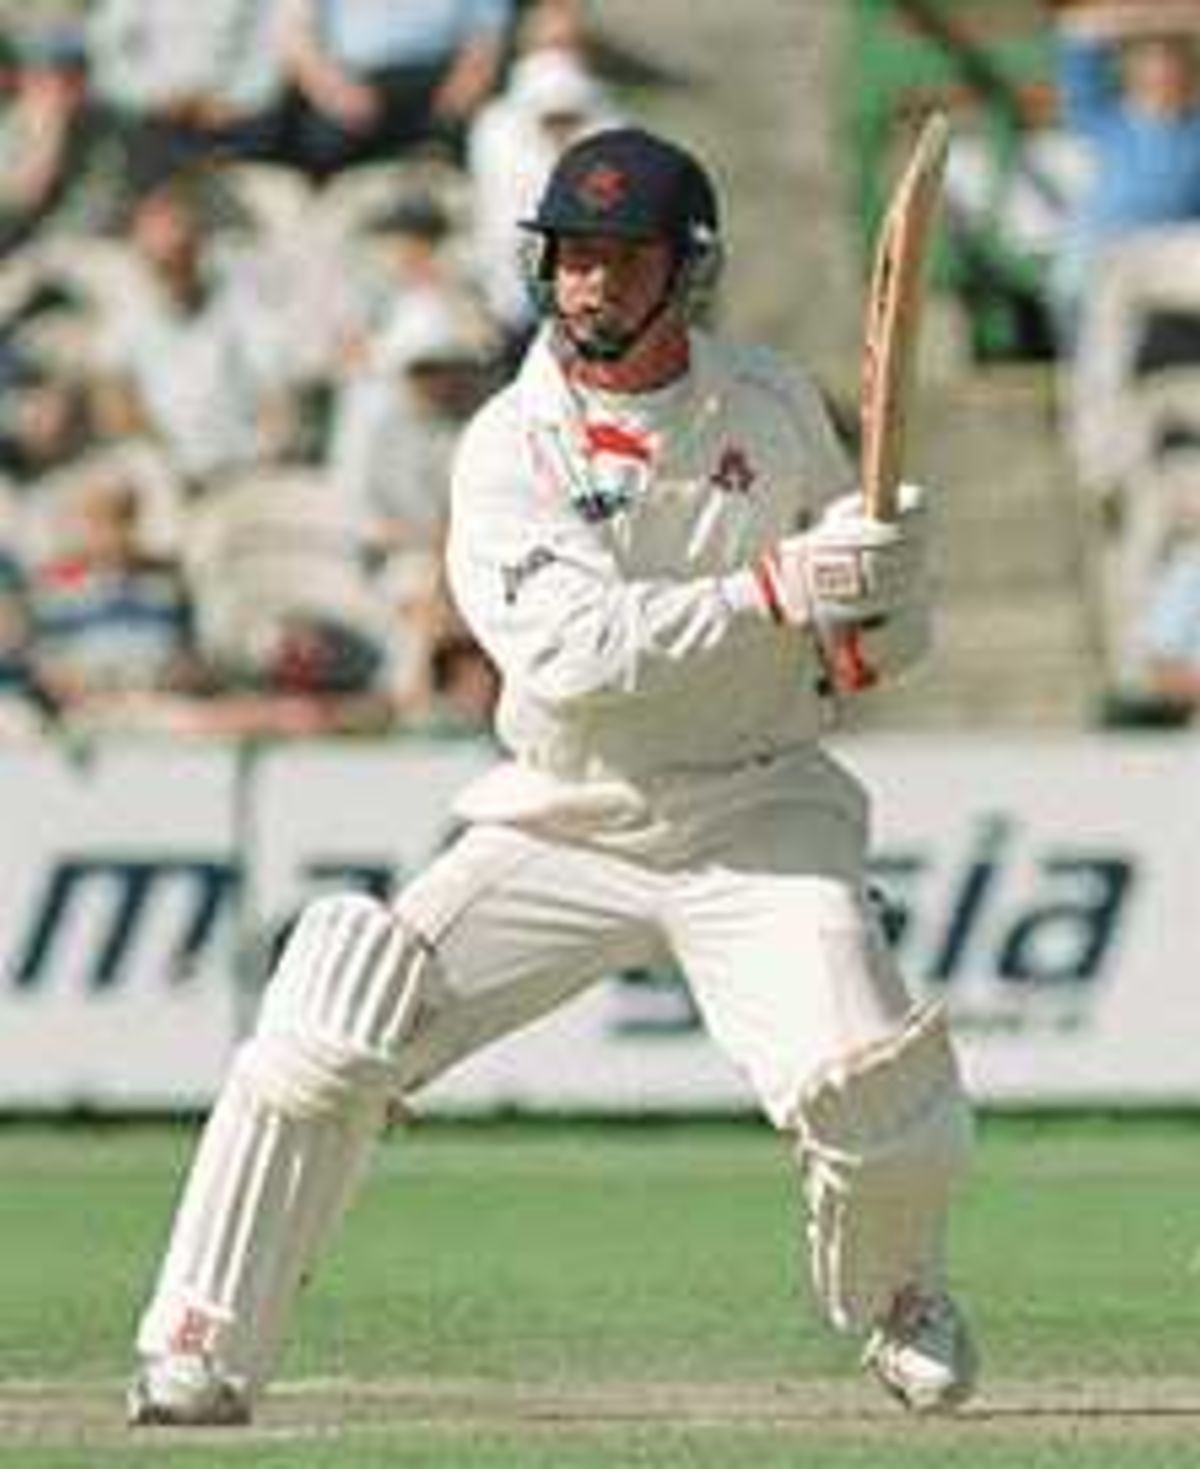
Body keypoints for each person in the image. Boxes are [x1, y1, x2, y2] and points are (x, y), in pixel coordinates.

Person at [127, 126, 979, 1427]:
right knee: (331, 1017)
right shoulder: (508, 445)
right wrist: (771, 587)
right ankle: (201, 1339)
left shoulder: (771, 404)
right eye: (573, 256)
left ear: (685, 270)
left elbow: (859, 656)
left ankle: (900, 1296)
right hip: (567, 813)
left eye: (620, 257)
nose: (589, 284)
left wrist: (884, 590)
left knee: (880, 1088)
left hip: (758, 806)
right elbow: (577, 658)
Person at [1051, 0, 1200, 346]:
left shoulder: (1194, 130)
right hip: (1109, 247)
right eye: (1151, 62)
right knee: (1092, 280)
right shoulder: (1103, 118)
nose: (1163, 74)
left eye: (1172, 63)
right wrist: (1161, 17)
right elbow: (1075, 30)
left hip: (1175, 251)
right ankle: (1095, 380)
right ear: (1133, 71)